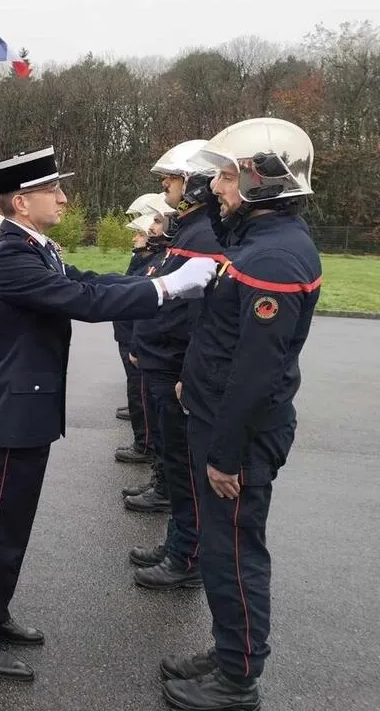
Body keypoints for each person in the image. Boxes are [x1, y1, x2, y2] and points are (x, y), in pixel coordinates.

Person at [0, 146, 218, 681]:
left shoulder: (33, 247)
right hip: (9, 415)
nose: (65, 197)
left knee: (13, 527)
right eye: (55, 190)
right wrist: (168, 288)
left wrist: (160, 282)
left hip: (25, 411)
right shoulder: (8, 255)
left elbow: (92, 281)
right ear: (22, 202)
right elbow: (85, 302)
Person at [158, 119, 322, 711]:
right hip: (217, 419)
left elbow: (256, 371)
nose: (217, 186)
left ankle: (238, 678)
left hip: (240, 439)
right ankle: (231, 649)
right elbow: (223, 335)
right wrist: (190, 382)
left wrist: (226, 455)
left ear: (262, 180)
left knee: (233, 554)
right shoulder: (257, 238)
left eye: (227, 175)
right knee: (225, 552)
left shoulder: (275, 255)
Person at [129, 142, 227, 589]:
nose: (165, 186)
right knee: (174, 460)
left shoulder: (202, 234)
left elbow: (194, 317)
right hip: (163, 361)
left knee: (185, 469)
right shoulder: (188, 231)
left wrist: (186, 373)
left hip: (174, 367)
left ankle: (186, 556)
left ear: (194, 184)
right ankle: (178, 544)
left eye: (171, 178)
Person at [114, 194, 175, 467]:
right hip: (134, 339)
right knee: (141, 396)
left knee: (147, 400)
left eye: (157, 221)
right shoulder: (151, 259)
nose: (148, 230)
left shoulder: (162, 259)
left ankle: (145, 445)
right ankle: (148, 447)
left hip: (144, 345)